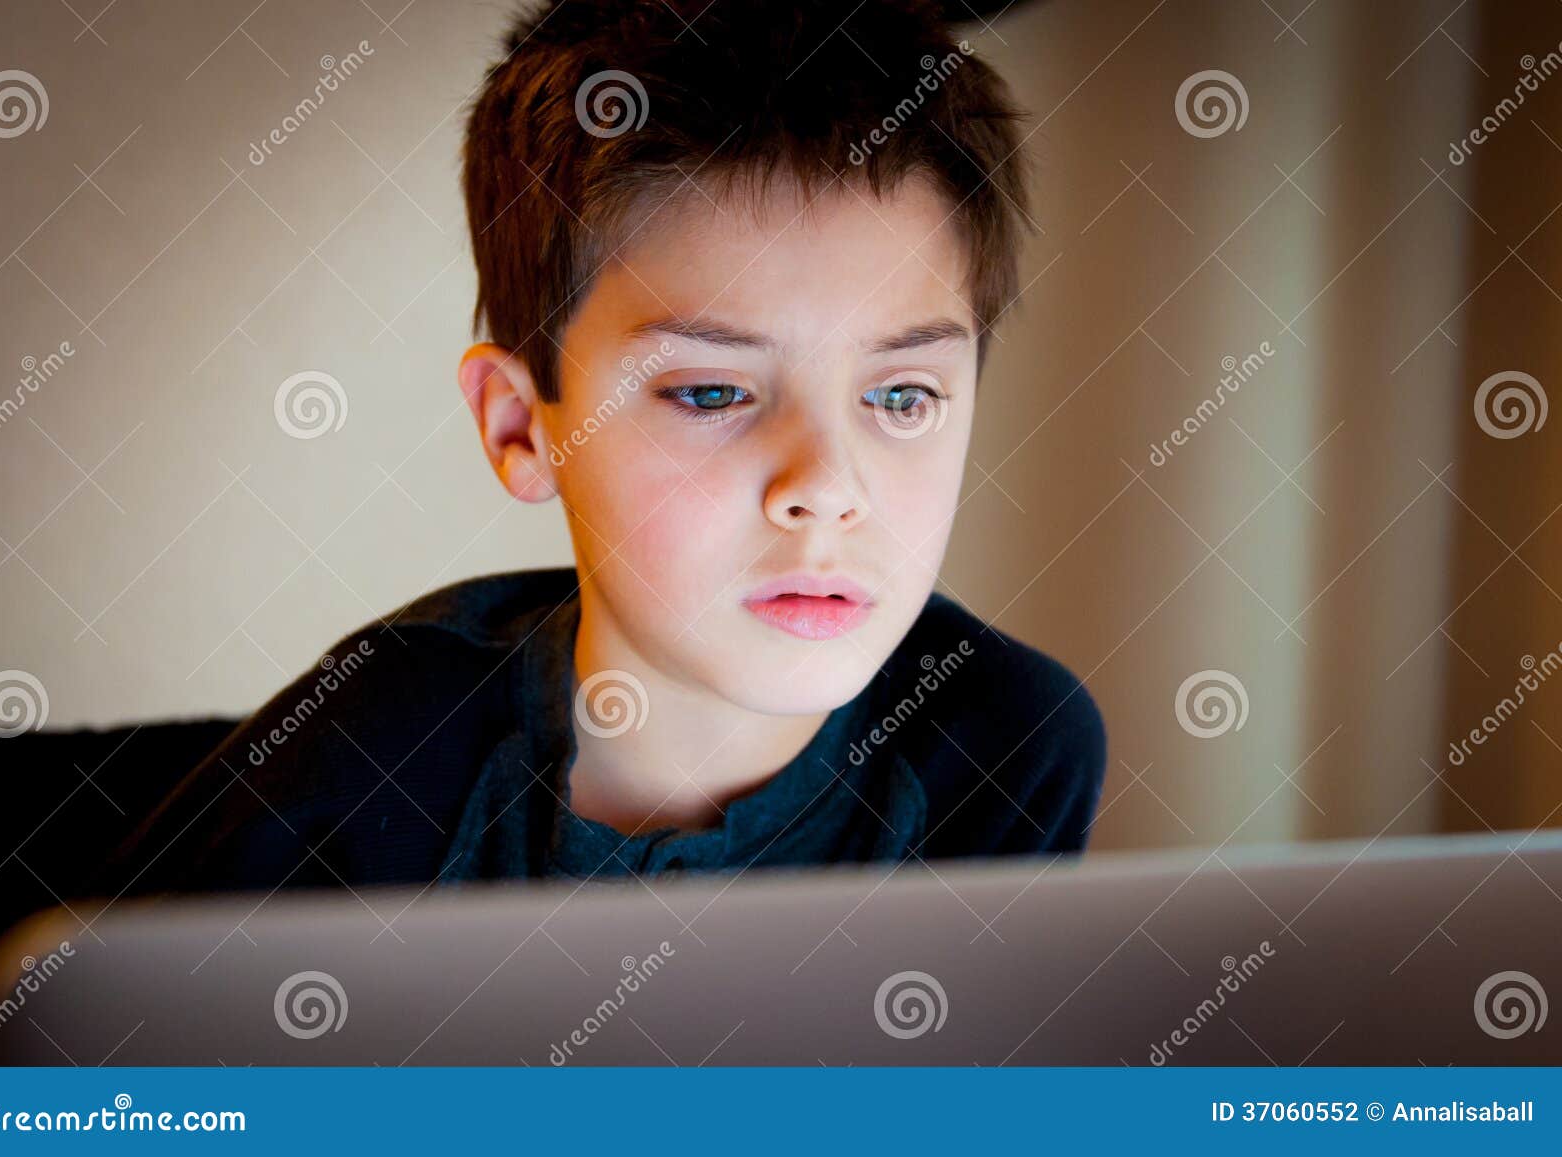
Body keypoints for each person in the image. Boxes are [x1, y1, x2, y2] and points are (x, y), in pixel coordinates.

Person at [88, 0, 1105, 898]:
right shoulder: (374, 748)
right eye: (710, 391)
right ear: (524, 426)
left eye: (901, 394)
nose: (827, 488)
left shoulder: (1010, 741)